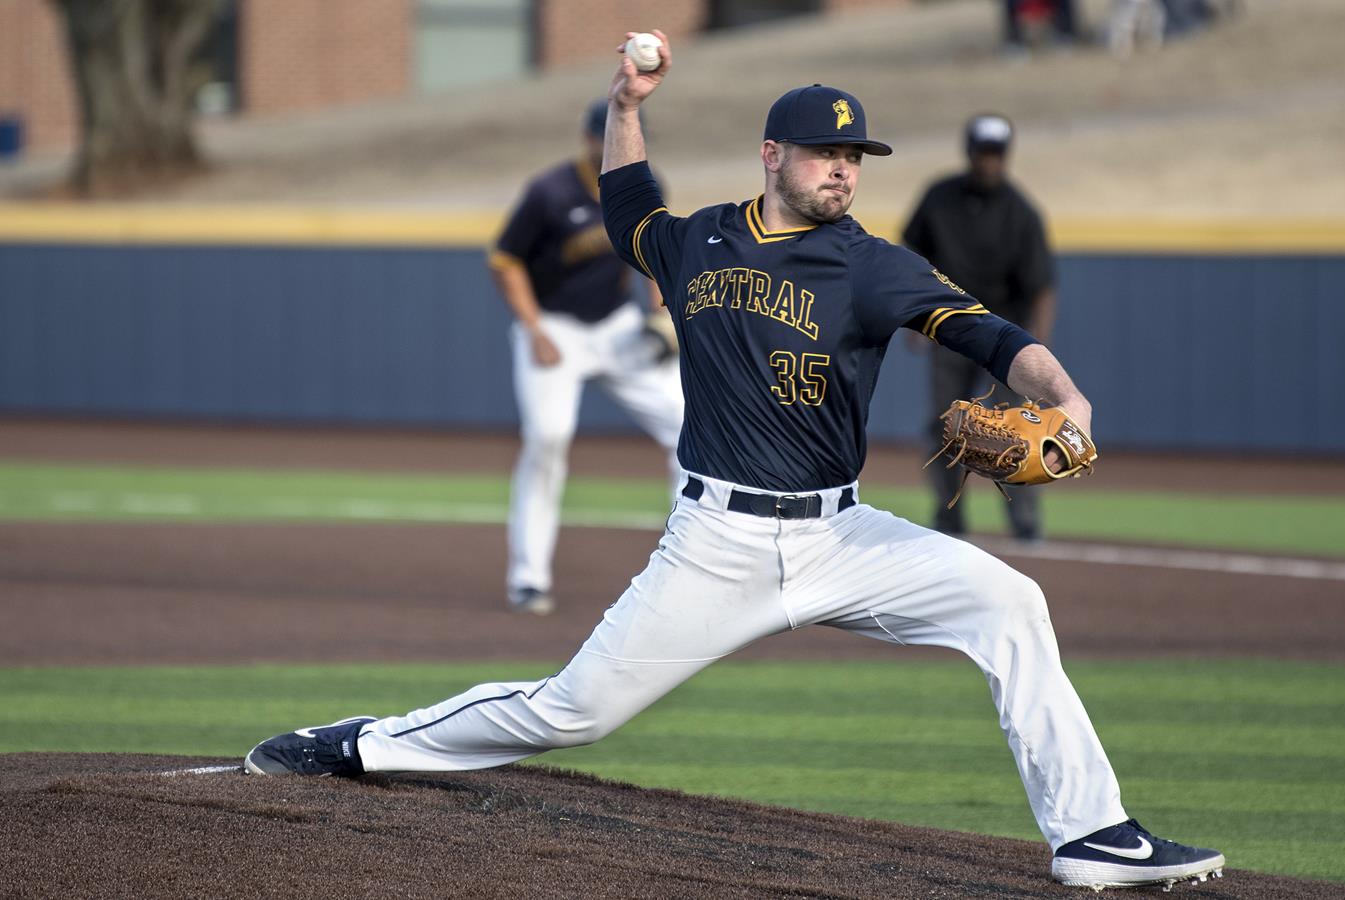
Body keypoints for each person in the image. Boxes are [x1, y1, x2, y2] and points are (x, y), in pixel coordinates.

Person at [244, 32, 1225, 891]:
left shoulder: (872, 264)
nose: (842, 168)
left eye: (854, 153)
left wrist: (1064, 394)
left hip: (845, 536)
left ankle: (1092, 835)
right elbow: (626, 199)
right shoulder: (697, 241)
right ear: (772, 155)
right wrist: (628, 106)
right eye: (823, 152)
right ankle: (362, 744)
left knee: (1012, 604)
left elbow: (990, 334)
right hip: (717, 541)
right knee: (572, 711)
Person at [487, 99, 685, 615]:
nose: (614, 144)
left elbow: (652, 253)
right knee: (547, 441)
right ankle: (528, 579)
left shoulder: (644, 184)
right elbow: (506, 260)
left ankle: (692, 563)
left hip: (617, 326)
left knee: (690, 426)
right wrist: (534, 330)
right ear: (589, 137)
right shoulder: (549, 191)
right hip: (554, 325)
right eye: (607, 135)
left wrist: (662, 311)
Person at [903, 113, 1055, 542]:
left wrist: (1036, 354)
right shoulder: (939, 197)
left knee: (1014, 432)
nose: (990, 161)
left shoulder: (1020, 212)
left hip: (1004, 336)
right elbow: (910, 254)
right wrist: (913, 319)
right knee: (944, 426)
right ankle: (948, 518)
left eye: (997, 154)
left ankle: (1024, 522)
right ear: (969, 152)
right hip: (947, 328)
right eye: (984, 152)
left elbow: (1042, 286)